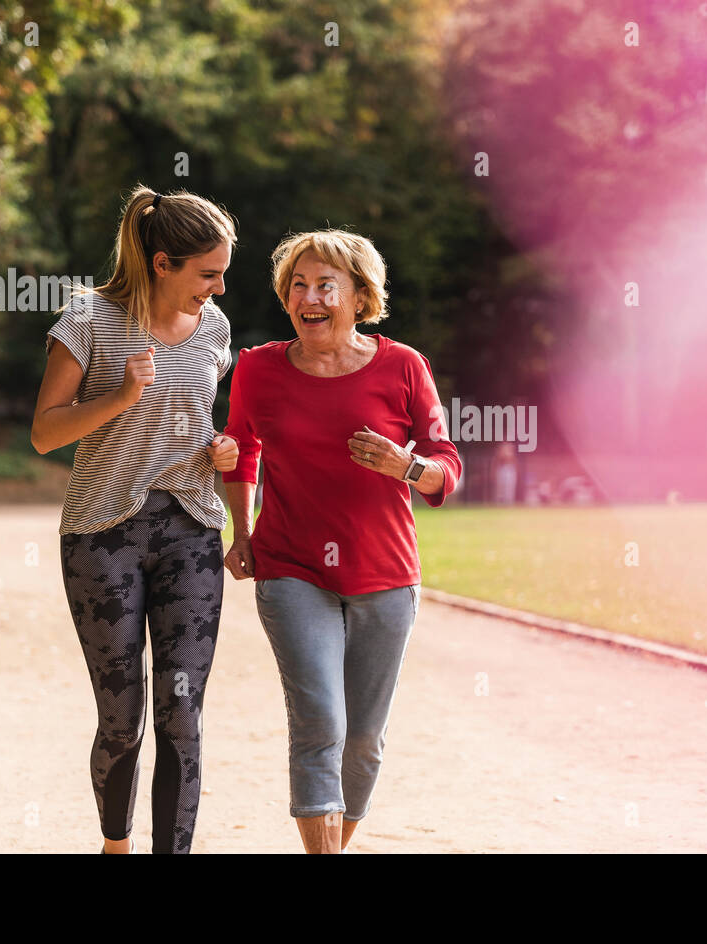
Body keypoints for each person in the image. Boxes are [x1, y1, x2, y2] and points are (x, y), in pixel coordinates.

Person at [222, 229, 462, 854]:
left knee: (363, 739)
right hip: (291, 568)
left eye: (325, 284)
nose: (309, 297)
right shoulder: (259, 368)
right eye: (297, 286)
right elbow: (241, 453)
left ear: (359, 296)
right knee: (320, 725)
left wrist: (404, 467)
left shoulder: (404, 366)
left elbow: (446, 466)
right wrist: (242, 534)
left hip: (385, 574)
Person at [30, 185, 239, 854]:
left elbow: (198, 418)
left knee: (182, 715)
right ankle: (115, 843)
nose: (220, 288)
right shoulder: (89, 319)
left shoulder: (213, 329)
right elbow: (44, 433)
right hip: (102, 534)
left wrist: (223, 445)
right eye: (208, 273)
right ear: (161, 263)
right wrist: (121, 394)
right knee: (122, 720)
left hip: (192, 531)